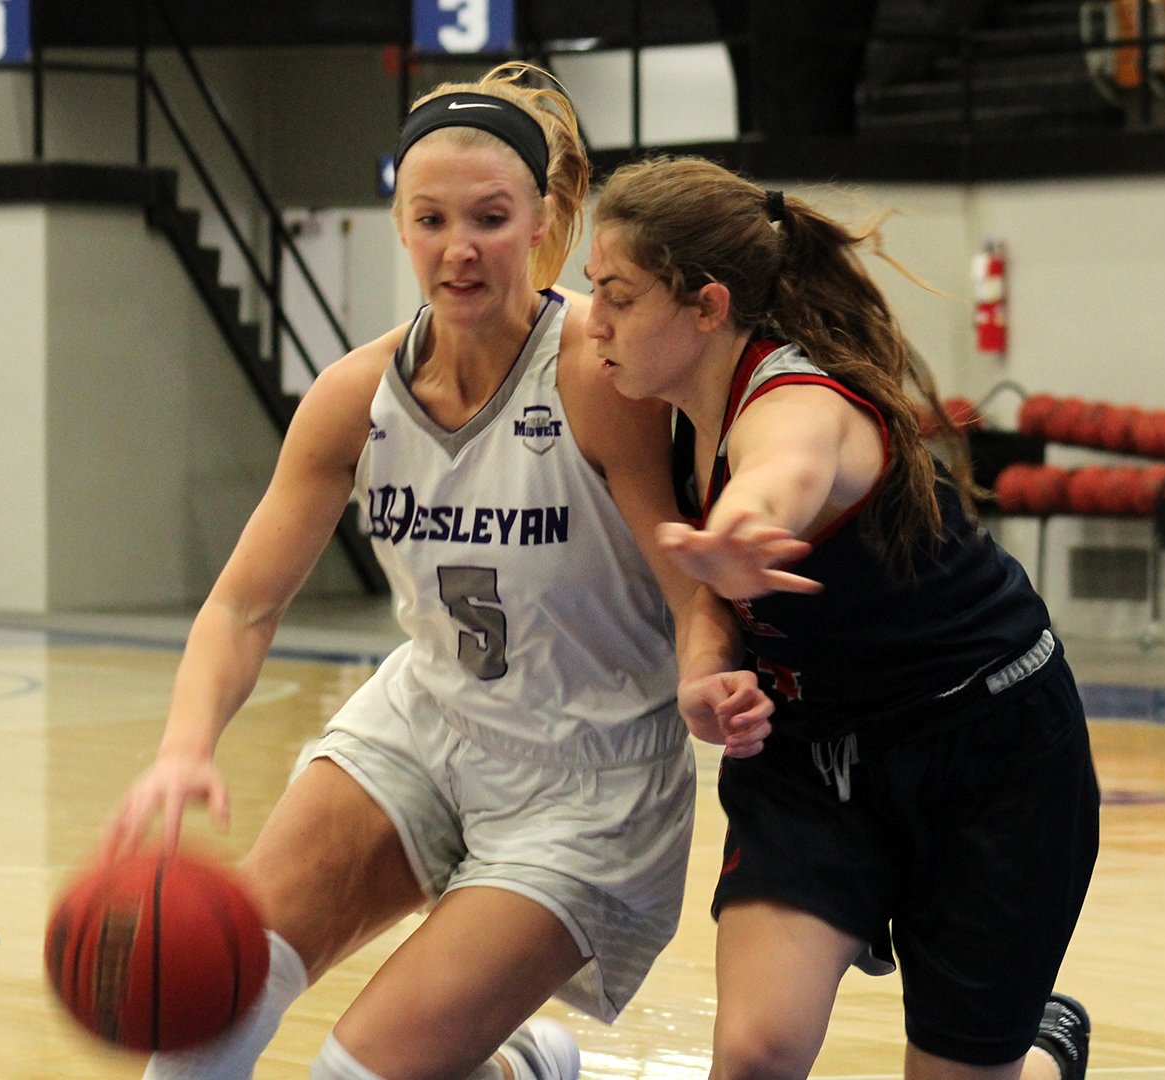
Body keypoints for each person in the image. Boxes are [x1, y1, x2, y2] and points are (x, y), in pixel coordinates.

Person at [100, 68, 756, 1080]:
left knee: (351, 1075)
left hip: (588, 779)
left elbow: (688, 585)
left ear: (542, 222)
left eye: (490, 218)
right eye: (431, 219)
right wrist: (185, 747)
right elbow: (241, 605)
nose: (460, 248)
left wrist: (705, 670)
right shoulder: (353, 397)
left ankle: (520, 1067)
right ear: (399, 224)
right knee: (208, 1008)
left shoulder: (599, 373)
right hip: (425, 726)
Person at [584, 158, 1101, 1080]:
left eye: (618, 297)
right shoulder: (672, 416)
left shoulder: (800, 400)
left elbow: (786, 471)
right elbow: (712, 597)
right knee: (755, 1054)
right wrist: (704, 671)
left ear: (707, 306)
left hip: (989, 744)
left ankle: (1045, 1052)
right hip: (812, 754)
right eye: (593, 291)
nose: (594, 322)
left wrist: (747, 523)